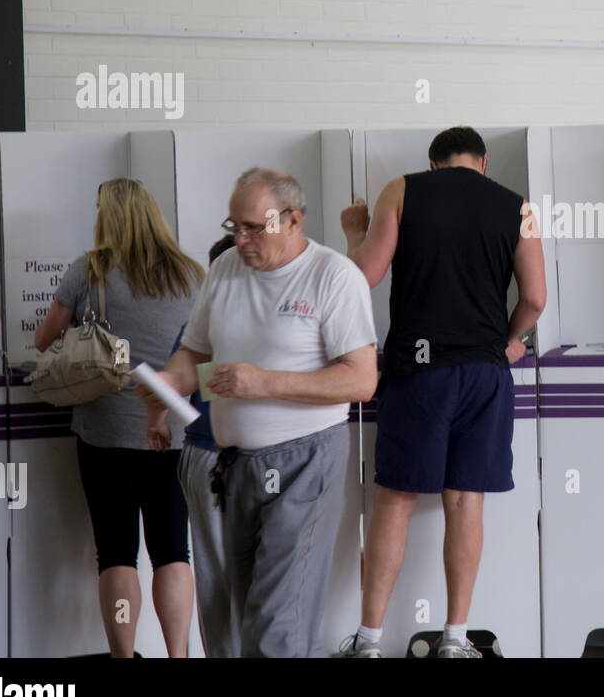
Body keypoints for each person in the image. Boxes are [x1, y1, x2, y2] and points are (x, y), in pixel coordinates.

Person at [138, 167, 378, 658]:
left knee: (276, 623)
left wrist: (264, 382)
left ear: (293, 221)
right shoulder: (226, 271)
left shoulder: (333, 276)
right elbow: (194, 354)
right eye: (234, 227)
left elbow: (361, 380)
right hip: (237, 466)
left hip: (306, 462)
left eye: (254, 227)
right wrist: (167, 382)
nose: (242, 239)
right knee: (246, 615)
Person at [341, 126, 546, 658]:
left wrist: (353, 234)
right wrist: (505, 343)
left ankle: (368, 642)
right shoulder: (517, 206)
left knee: (395, 501)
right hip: (483, 373)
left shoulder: (401, 190)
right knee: (465, 500)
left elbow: (361, 275)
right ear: (484, 162)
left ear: (433, 165)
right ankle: (455, 639)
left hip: (419, 368)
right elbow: (537, 298)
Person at [34, 177, 204, 658]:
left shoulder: (88, 271)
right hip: (172, 432)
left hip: (105, 429)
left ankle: (124, 656)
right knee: (174, 551)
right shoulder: (191, 274)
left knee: (116, 554)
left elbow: (45, 340)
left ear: (105, 217)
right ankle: (178, 655)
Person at [146, 233, 238, 657]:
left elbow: (169, 385)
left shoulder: (202, 323)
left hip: (205, 455)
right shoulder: (261, 318)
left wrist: (159, 421)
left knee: (216, 574)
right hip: (252, 456)